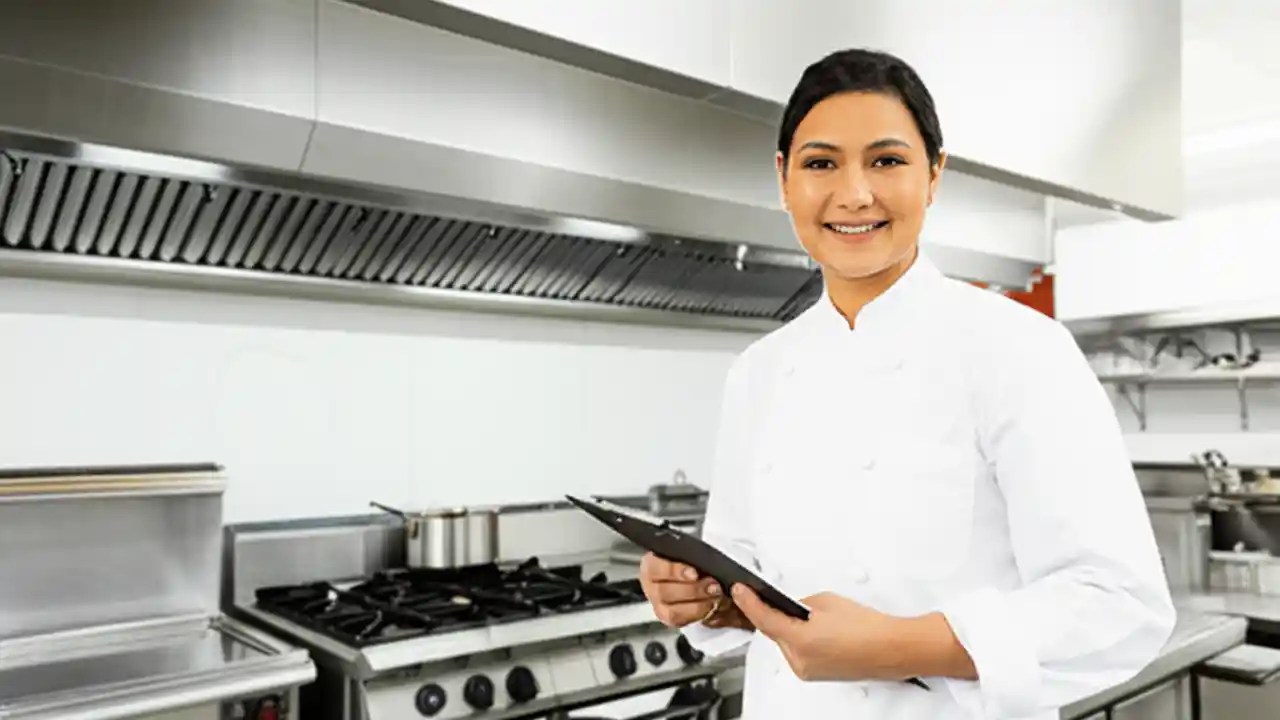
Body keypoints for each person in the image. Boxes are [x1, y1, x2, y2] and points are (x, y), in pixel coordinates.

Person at [637, 48, 1175, 719]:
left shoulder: (1020, 349)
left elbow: (1118, 603)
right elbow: (749, 559)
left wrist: (896, 646)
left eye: (887, 161)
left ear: (934, 175)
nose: (854, 193)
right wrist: (708, 593)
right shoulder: (759, 371)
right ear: (784, 179)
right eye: (820, 162)